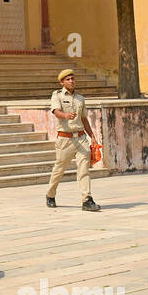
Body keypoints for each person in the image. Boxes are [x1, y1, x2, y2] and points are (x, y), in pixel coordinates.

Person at [46, 67, 101, 211]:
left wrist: (93, 137)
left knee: (84, 169)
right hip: (65, 139)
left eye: (72, 78)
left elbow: (84, 119)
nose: (71, 81)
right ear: (61, 82)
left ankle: (87, 200)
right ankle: (50, 195)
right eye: (67, 79)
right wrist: (65, 115)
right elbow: (56, 111)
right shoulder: (57, 95)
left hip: (81, 138)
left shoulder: (80, 98)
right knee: (59, 169)